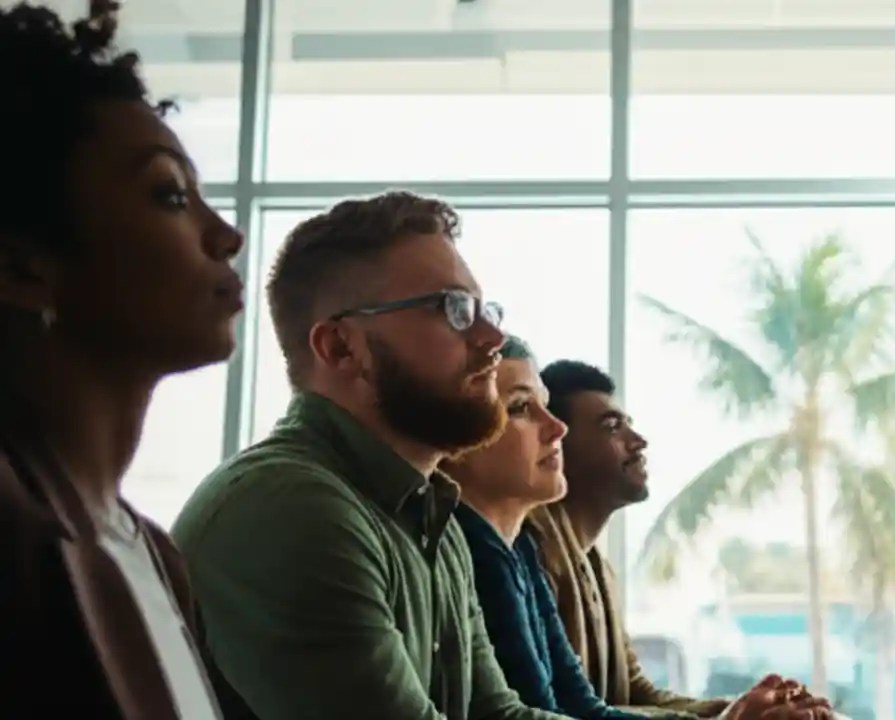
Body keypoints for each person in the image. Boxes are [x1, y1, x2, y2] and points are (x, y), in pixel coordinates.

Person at [171, 192, 568, 720]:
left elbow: (497, 714)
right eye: (453, 309)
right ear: (340, 347)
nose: (493, 339)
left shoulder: (431, 519)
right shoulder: (292, 509)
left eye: (484, 310)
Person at [0, 2, 244, 718]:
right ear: (20, 267)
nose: (225, 234)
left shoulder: (155, 555)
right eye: (169, 195)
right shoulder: (14, 534)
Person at [532, 361, 828, 718]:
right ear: (556, 444)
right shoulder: (535, 551)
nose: (638, 441)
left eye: (629, 425)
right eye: (611, 427)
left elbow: (636, 692)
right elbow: (571, 709)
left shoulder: (599, 568)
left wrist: (740, 708)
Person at [442, 335, 655, 720]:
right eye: (522, 407)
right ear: (457, 442)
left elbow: (581, 706)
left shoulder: (517, 550)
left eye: (545, 404)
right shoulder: (471, 553)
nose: (556, 428)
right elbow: (532, 712)